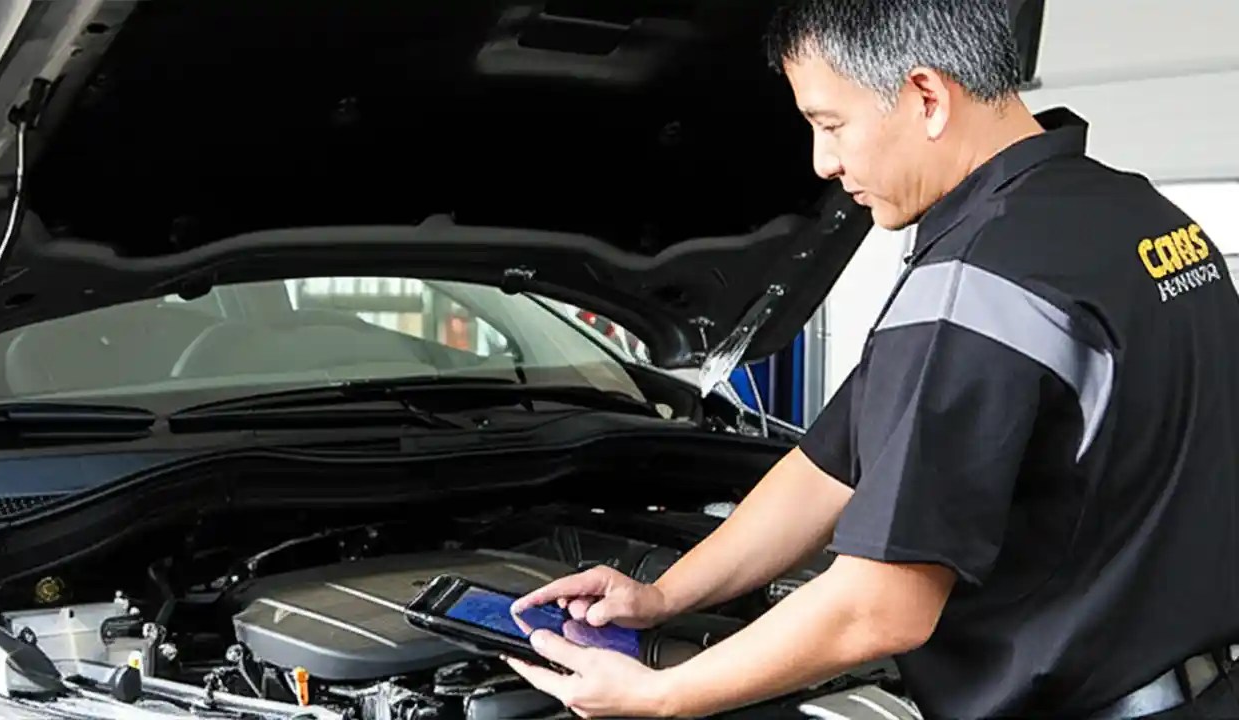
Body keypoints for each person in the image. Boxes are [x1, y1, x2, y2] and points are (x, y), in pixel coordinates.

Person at [503, 0, 1239, 717]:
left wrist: (664, 696)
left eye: (831, 124)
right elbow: (829, 467)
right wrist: (665, 595)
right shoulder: (1146, 217)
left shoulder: (976, 285)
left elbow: (882, 610)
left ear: (925, 96)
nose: (823, 161)